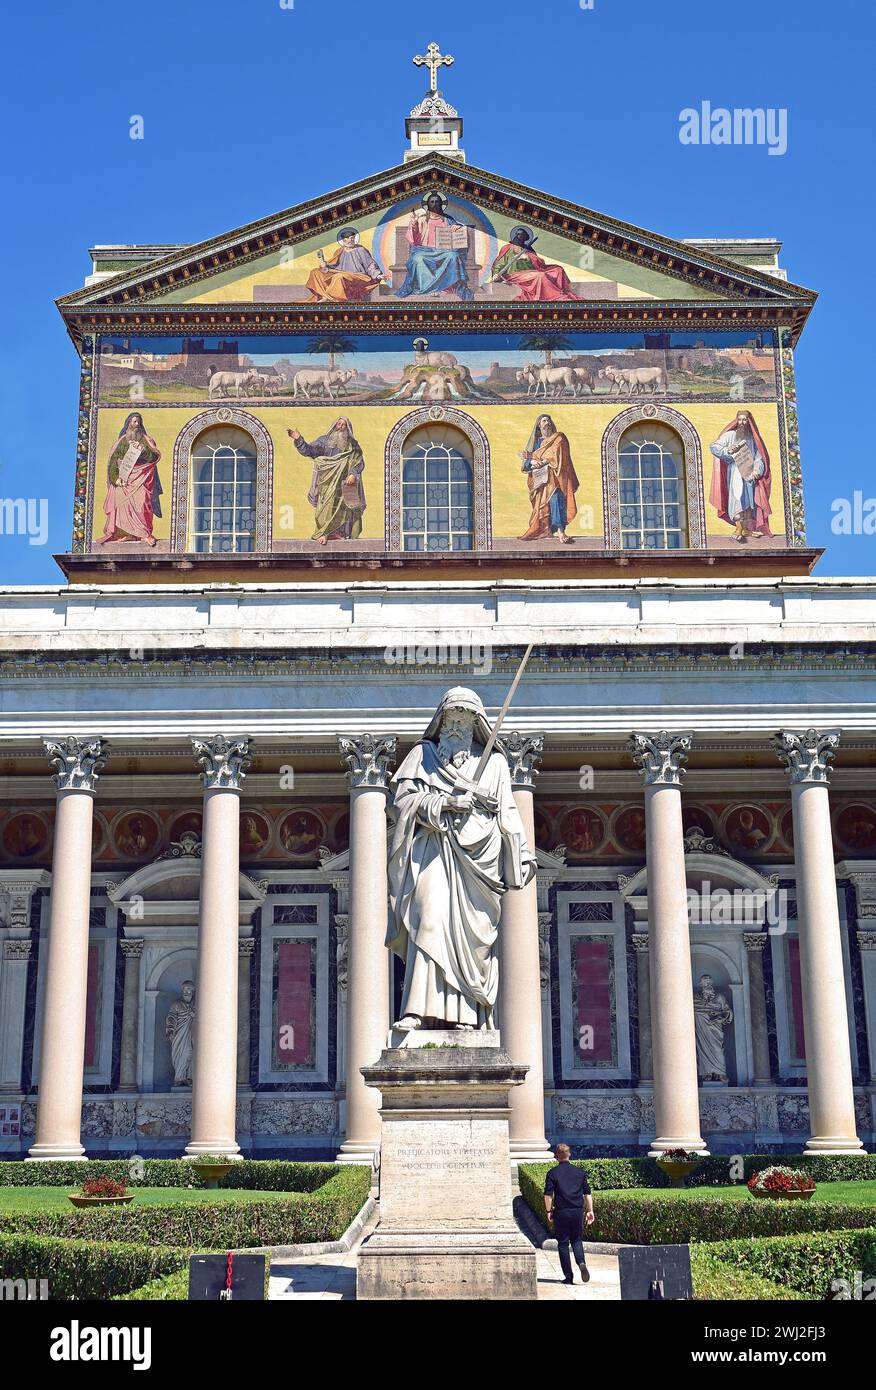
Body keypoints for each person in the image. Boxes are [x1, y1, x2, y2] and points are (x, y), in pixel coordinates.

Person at [387, 687, 536, 1030]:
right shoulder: (423, 756)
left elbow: (507, 812)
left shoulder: (494, 764)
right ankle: (417, 1010)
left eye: (463, 723)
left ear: (475, 726)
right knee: (428, 920)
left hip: (478, 863)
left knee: (471, 941)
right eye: (450, 721)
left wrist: (523, 855)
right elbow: (402, 803)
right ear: (440, 723)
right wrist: (446, 803)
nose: (455, 729)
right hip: (434, 852)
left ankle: (465, 1015)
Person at [287, 417, 366, 544]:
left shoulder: (352, 445)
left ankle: (340, 533)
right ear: (334, 425)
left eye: (344, 425)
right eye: (339, 424)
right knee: (326, 507)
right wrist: (298, 439)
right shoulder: (324, 441)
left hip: (345, 482)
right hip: (327, 481)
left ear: (347, 428)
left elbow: (359, 461)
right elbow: (309, 451)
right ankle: (324, 533)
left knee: (346, 508)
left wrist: (353, 474)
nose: (341, 427)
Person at [98, 411, 162, 546]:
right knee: (121, 504)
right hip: (124, 479)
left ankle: (144, 534)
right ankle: (127, 534)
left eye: (138, 422)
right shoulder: (121, 442)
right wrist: (115, 478)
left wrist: (143, 450)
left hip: (142, 478)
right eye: (134, 421)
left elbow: (155, 456)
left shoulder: (147, 440)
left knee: (142, 503)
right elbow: (113, 461)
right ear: (128, 424)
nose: (136, 424)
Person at [708, 410, 772, 542]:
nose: (742, 422)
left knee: (749, 501)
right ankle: (738, 528)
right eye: (740, 419)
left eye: (745, 420)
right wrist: (727, 450)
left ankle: (746, 529)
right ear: (737, 421)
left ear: (749, 422)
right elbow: (714, 447)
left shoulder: (753, 439)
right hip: (735, 472)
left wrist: (757, 470)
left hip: (749, 474)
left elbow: (759, 457)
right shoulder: (730, 435)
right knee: (737, 498)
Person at [397, 192, 474, 301]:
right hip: (424, 250)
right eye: (432, 202)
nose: (434, 204)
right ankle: (426, 289)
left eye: (437, 201)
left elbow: (459, 229)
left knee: (453, 256)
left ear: (441, 204)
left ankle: (446, 288)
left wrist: (457, 227)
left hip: (443, 251)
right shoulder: (421, 219)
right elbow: (412, 239)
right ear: (427, 204)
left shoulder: (448, 219)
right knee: (417, 259)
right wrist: (414, 224)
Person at [519, 414, 579, 542]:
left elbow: (559, 455)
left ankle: (561, 532)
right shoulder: (537, 443)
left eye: (548, 421)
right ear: (539, 426)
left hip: (556, 477)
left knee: (556, 499)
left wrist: (544, 461)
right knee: (543, 506)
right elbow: (526, 463)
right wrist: (532, 462)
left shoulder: (558, 438)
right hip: (540, 481)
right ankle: (546, 530)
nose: (547, 423)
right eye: (544, 421)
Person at [544, 1143, 595, 1285]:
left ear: (556, 1156)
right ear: (569, 1154)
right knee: (576, 1239)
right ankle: (581, 1262)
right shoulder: (580, 1172)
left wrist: (549, 1211)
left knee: (563, 1243)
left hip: (561, 1212)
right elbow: (587, 1194)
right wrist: (590, 1211)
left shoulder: (552, 1173)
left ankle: (568, 1277)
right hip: (577, 1211)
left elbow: (548, 1195)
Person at [491, 226, 581, 301]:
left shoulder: (528, 250)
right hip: (513, 275)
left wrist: (527, 258)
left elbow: (539, 264)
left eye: (522, 237)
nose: (519, 240)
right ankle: (555, 296)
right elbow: (499, 264)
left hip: (529, 272)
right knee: (540, 275)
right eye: (518, 236)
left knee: (558, 270)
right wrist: (496, 274)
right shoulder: (507, 249)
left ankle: (564, 292)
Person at [305, 227, 386, 303]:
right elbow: (333, 264)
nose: (349, 240)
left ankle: (330, 298)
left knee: (338, 277)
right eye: (346, 239)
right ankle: (324, 295)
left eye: (352, 238)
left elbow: (370, 264)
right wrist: (325, 265)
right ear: (343, 240)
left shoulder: (360, 250)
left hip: (357, 276)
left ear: (354, 239)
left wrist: (377, 274)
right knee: (315, 272)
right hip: (339, 272)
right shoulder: (339, 251)